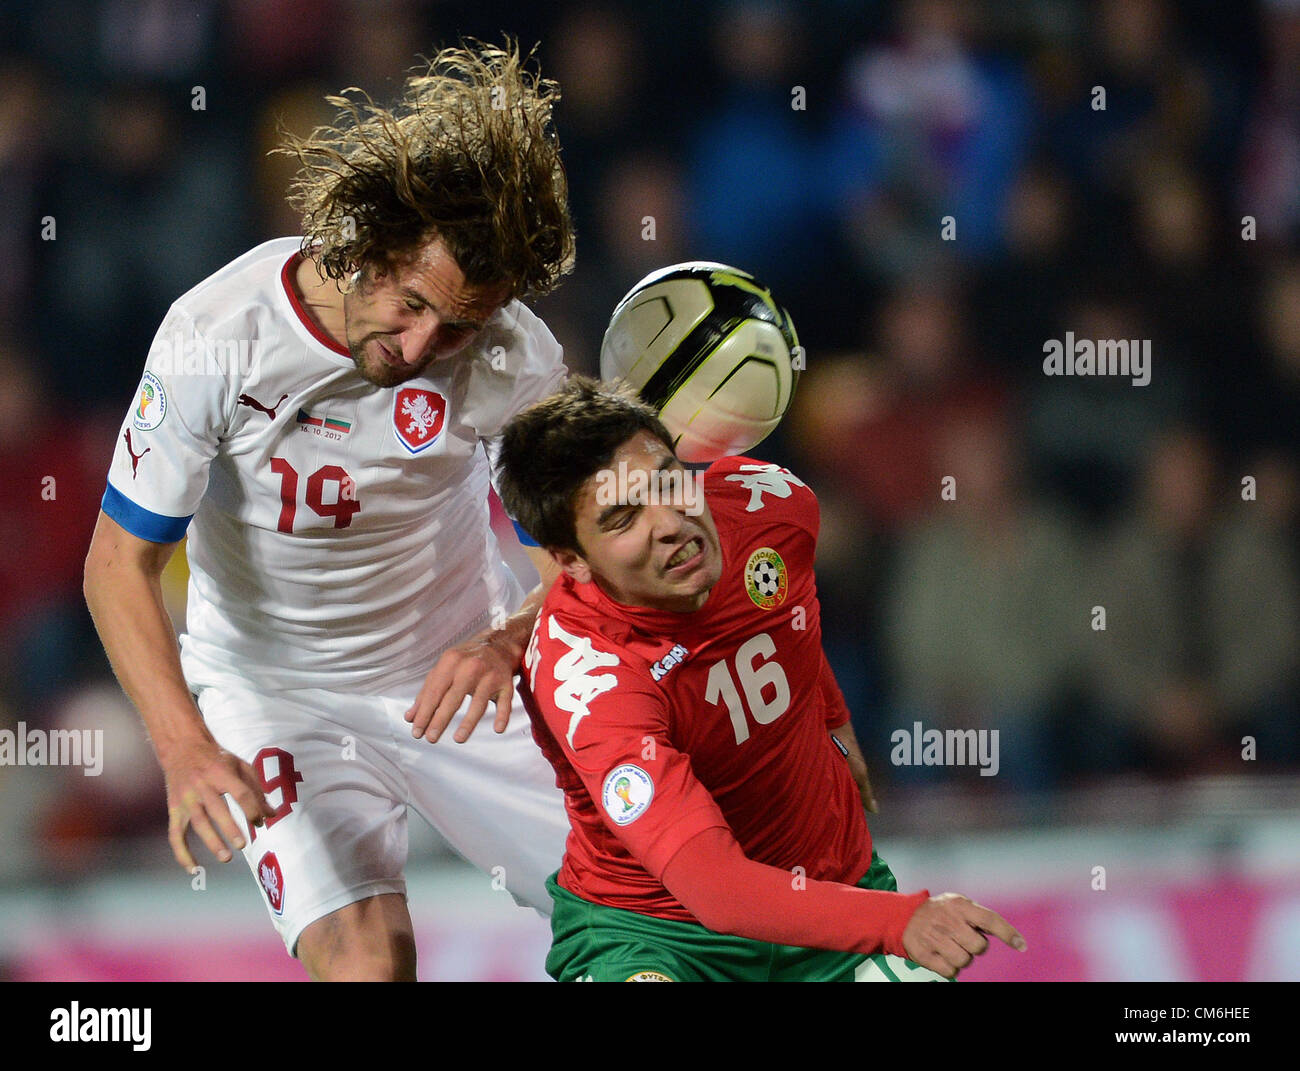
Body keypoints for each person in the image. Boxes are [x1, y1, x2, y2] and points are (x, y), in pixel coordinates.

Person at [83, 41, 576, 981]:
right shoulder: (216, 333)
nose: (422, 346)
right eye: (413, 304)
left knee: (639, 905)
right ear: (372, 244)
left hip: (459, 671)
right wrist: (184, 746)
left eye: (458, 326)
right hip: (278, 696)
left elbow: (572, 565)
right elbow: (117, 564)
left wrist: (509, 641)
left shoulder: (510, 354)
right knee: (366, 960)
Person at [495, 378, 1026, 981]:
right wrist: (899, 920)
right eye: (623, 518)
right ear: (570, 560)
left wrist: (833, 718)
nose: (669, 522)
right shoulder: (592, 684)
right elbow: (715, 890)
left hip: (831, 891)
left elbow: (788, 615)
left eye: (668, 481)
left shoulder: (771, 505)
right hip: (661, 936)